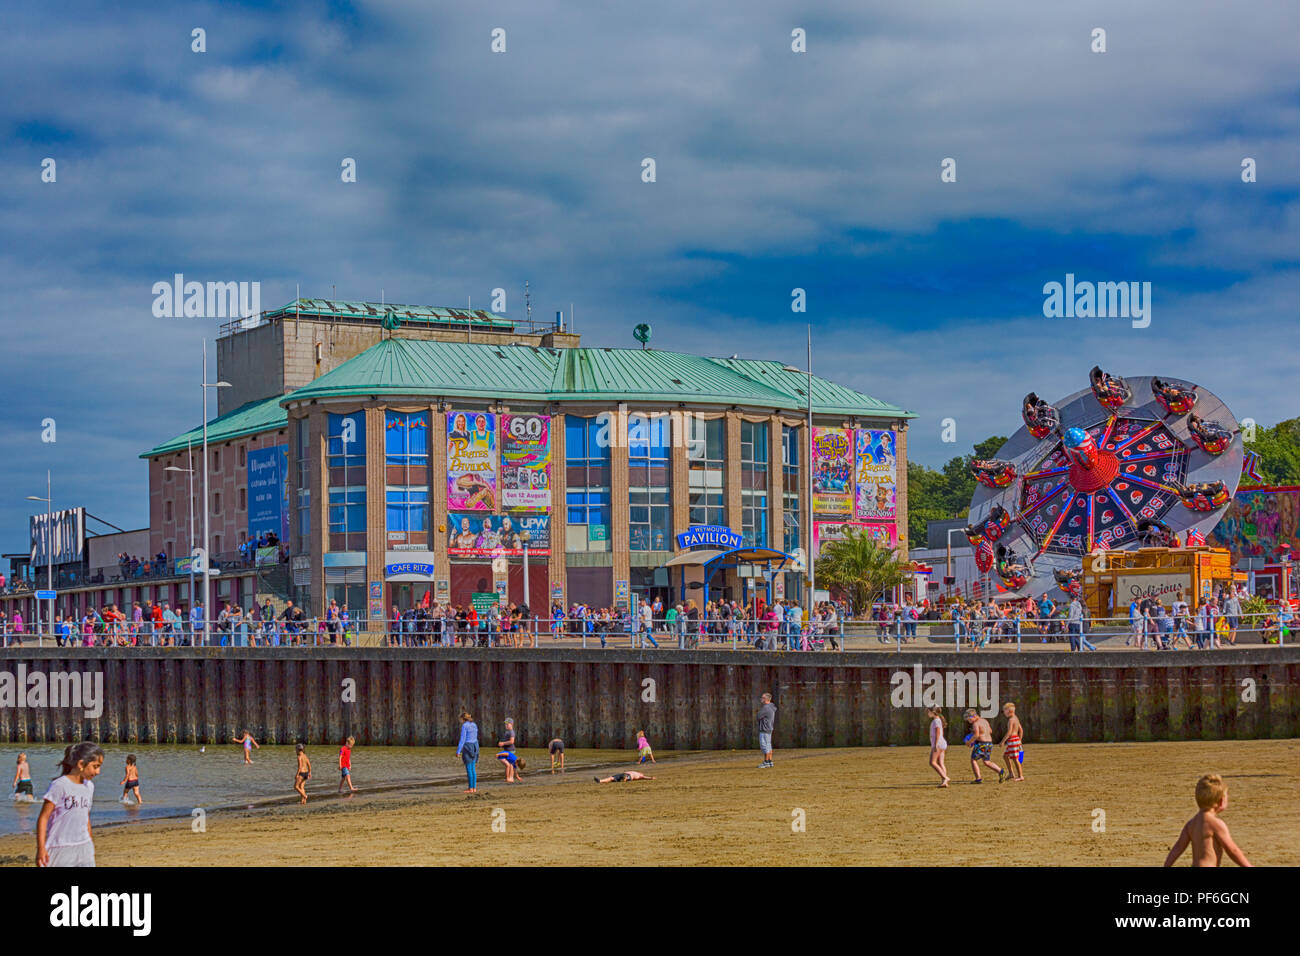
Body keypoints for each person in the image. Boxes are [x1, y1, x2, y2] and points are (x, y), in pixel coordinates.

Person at [36, 742, 103, 867]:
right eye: (95, 766)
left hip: (84, 847)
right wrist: (41, 849)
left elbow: (85, 817)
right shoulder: (60, 785)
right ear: (81, 764)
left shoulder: (89, 787)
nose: (98, 771)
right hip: (60, 847)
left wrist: (89, 842)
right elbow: (43, 818)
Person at [1164, 774, 1252, 867]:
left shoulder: (1191, 824)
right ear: (1221, 801)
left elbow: (1178, 848)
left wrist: (1166, 865)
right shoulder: (1216, 824)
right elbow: (1232, 850)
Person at [963, 709, 1005, 784]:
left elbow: (976, 735)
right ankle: (1000, 771)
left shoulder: (975, 723)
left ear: (974, 716)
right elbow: (990, 731)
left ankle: (978, 778)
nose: (969, 722)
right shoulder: (985, 721)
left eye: (969, 719)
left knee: (973, 760)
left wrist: (969, 742)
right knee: (986, 761)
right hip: (989, 744)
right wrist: (982, 731)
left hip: (981, 744)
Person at [1000, 703, 1025, 782]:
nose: (1004, 713)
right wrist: (1019, 740)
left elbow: (1009, 732)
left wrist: (1002, 741)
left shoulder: (1011, 720)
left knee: (1015, 759)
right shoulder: (1016, 718)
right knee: (1005, 756)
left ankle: (1021, 776)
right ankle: (1011, 773)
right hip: (1015, 740)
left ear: (1009, 711)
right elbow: (1021, 730)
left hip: (1013, 740)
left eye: (1004, 711)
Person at [456, 711, 480, 793]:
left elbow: (462, 739)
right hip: (475, 746)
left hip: (468, 747)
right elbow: (476, 736)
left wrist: (458, 751)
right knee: (473, 768)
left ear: (463, 719)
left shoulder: (464, 726)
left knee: (469, 769)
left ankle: (470, 788)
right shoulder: (474, 724)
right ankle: (474, 788)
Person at [927, 707, 949, 788]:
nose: (927, 713)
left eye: (928, 712)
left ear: (933, 712)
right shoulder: (938, 720)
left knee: (932, 762)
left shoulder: (936, 721)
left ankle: (945, 778)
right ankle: (944, 782)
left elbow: (938, 733)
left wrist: (935, 745)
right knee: (940, 763)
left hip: (938, 744)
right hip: (942, 743)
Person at [756, 692, 776, 769]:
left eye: (762, 697)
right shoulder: (772, 707)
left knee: (764, 746)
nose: (761, 699)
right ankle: (770, 761)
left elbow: (758, 716)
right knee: (768, 745)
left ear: (766, 699)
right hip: (769, 728)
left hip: (764, 729)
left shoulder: (766, 708)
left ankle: (766, 762)